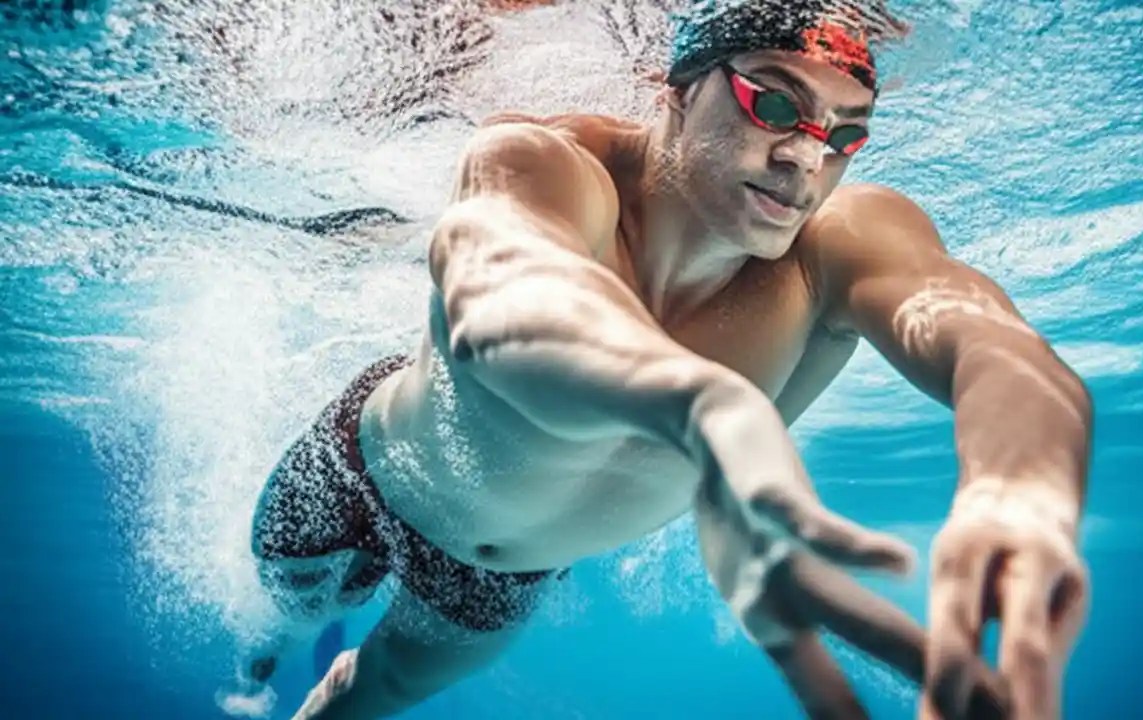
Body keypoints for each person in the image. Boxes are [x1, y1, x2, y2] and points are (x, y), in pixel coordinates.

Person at [239, 1, 1094, 718]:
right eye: (776, 105)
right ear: (679, 93)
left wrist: (1020, 489)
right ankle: (265, 655)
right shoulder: (543, 162)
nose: (808, 156)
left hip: (497, 582)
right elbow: (501, 298)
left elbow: (992, 344)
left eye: (847, 135)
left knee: (368, 699)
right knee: (285, 615)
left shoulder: (841, 247)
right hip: (361, 476)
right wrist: (704, 405)